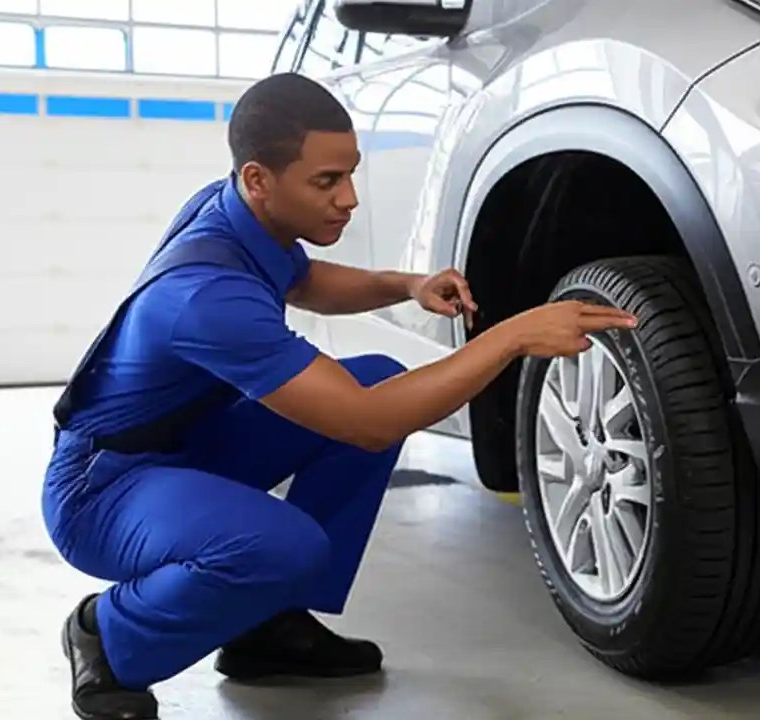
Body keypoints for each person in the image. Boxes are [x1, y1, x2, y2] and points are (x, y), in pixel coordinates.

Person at [41, 72, 638, 720]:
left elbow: (302, 280)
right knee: (285, 540)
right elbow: (369, 426)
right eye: (327, 182)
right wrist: (512, 338)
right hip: (103, 488)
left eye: (350, 173)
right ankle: (110, 634)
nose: (349, 198)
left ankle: (265, 627)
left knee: (379, 373)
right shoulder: (206, 298)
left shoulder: (234, 217)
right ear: (258, 180)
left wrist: (406, 284)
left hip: (186, 445)